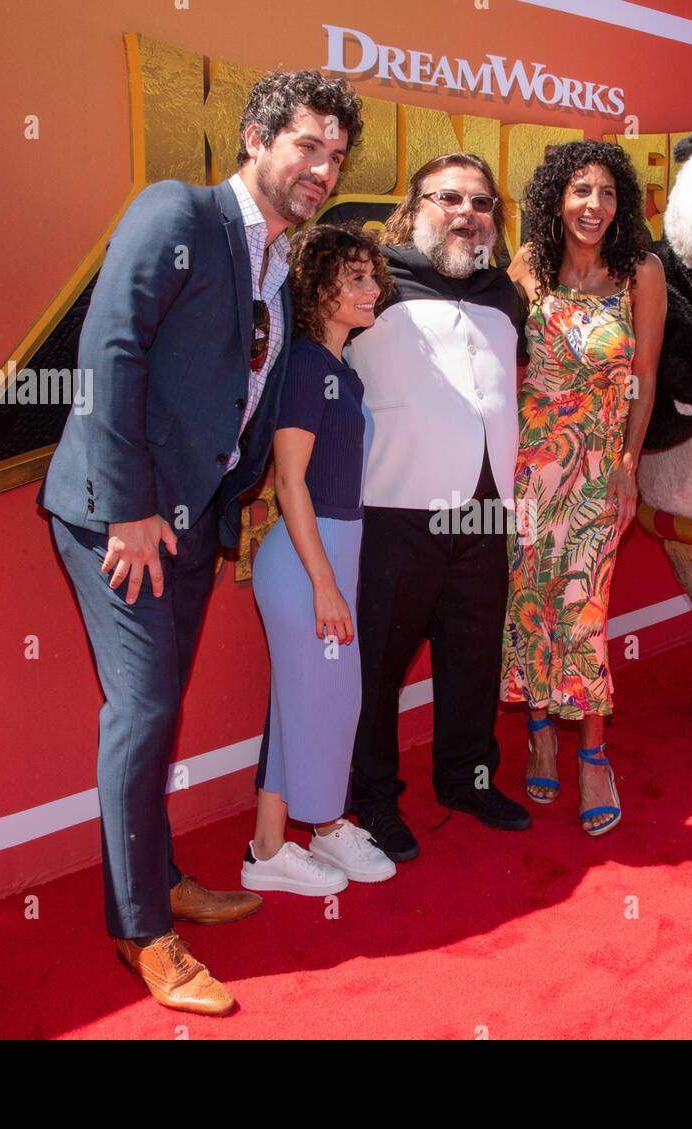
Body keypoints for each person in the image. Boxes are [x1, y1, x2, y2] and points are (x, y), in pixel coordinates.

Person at [38, 71, 362, 1016]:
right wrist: (133, 507)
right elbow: (110, 350)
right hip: (118, 516)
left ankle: (162, 875)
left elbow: (238, 394)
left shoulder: (278, 263)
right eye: (309, 145)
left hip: (186, 525)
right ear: (258, 137)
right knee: (141, 712)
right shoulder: (176, 211)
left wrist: (217, 517)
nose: (323, 168)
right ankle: (143, 930)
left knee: (160, 709)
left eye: (337, 156)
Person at [346, 153, 533, 862]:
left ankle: (466, 779)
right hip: (394, 510)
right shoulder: (373, 281)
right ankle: (372, 800)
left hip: (486, 515)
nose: (466, 212)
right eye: (448, 198)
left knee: (475, 659)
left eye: (482, 203)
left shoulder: (504, 295)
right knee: (376, 672)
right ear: (413, 208)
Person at [501, 141, 663, 836]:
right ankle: (540, 729)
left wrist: (629, 463)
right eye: (579, 191)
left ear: (619, 204)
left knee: (585, 610)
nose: (592, 205)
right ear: (556, 199)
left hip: (598, 470)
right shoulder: (528, 267)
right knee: (530, 601)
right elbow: (502, 368)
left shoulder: (641, 274)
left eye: (606, 192)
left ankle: (592, 751)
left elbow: (646, 377)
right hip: (529, 469)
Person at [240, 224, 398, 895]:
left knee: (302, 704)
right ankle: (326, 826)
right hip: (308, 562)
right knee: (329, 704)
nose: (373, 289)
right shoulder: (308, 365)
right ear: (320, 289)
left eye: (374, 276)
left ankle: (269, 849)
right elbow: (290, 480)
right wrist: (325, 584)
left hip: (330, 554)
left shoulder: (337, 368)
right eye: (356, 278)